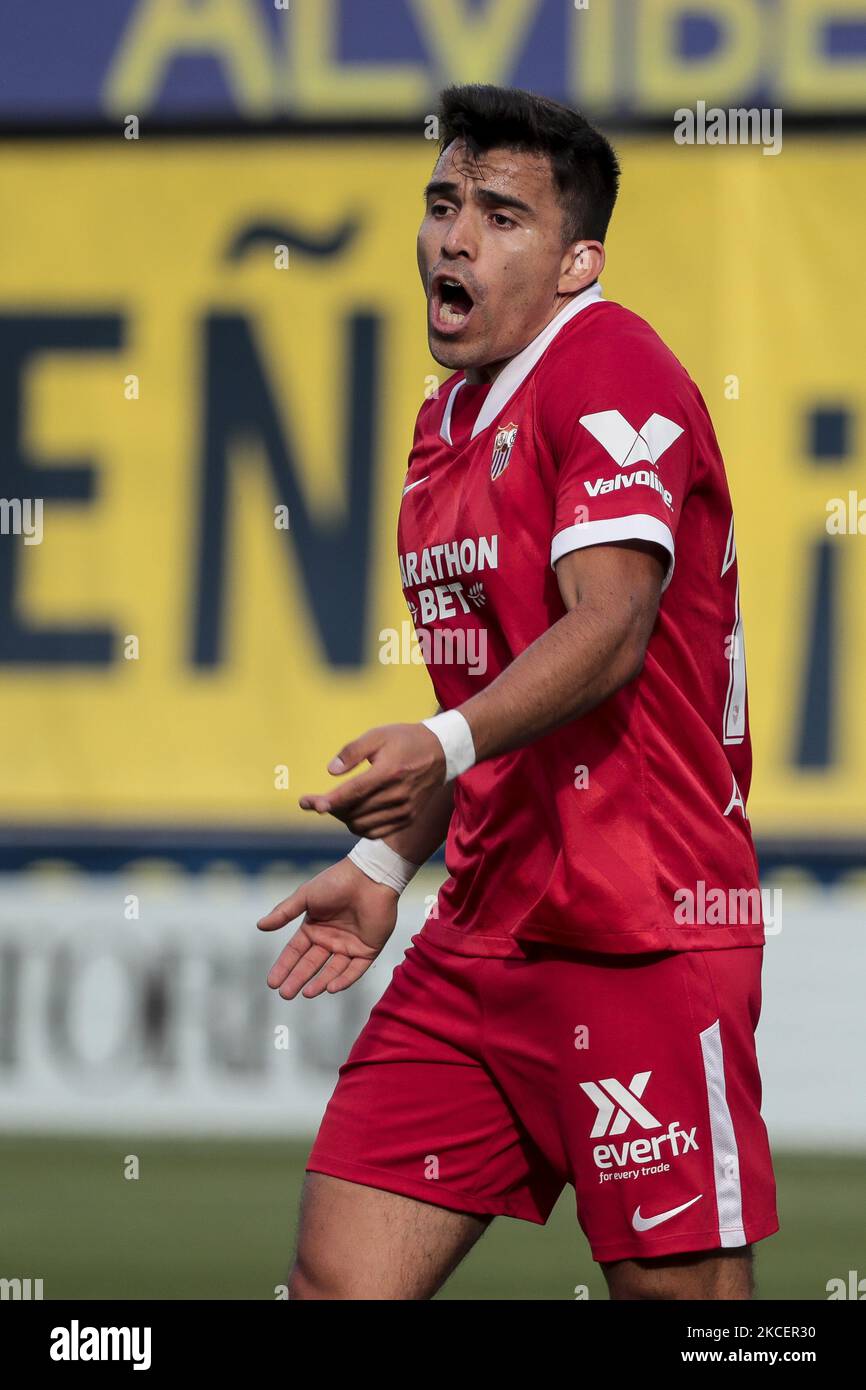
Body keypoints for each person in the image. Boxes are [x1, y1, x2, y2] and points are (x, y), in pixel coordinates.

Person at [258, 83, 778, 1301]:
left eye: (500, 215)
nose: (453, 237)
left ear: (573, 262)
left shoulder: (608, 364)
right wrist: (388, 867)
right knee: (336, 1283)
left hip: (638, 930)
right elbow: (502, 697)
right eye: (443, 204)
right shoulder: (445, 421)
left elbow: (610, 628)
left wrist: (435, 743)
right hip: (483, 933)